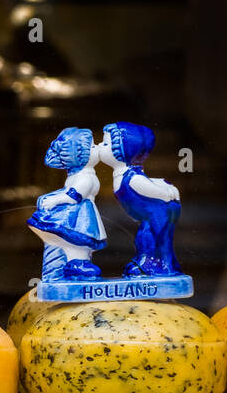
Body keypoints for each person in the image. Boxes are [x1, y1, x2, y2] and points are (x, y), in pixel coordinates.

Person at [98, 121, 182, 277]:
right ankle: (148, 264)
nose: (99, 146)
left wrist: (167, 191)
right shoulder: (126, 175)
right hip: (146, 219)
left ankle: (156, 267)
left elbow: (152, 190)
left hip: (157, 217)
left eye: (105, 143)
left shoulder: (132, 178)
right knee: (144, 239)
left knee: (152, 240)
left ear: (124, 151)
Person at [27, 126, 106, 282]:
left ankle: (78, 264)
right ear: (80, 156)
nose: (96, 147)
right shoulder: (81, 175)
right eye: (92, 146)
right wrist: (52, 198)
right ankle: (74, 264)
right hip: (76, 217)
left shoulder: (86, 177)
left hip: (80, 216)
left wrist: (55, 199)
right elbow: (70, 193)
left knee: (78, 242)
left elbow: (74, 195)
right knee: (74, 242)